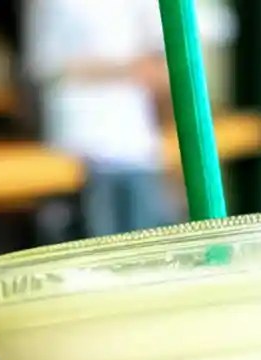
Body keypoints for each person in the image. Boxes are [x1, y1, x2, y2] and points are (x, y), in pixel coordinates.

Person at [24, 0, 180, 237]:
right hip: (85, 146)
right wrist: (126, 69)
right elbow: (46, 65)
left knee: (149, 246)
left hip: (138, 146)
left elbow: (165, 68)